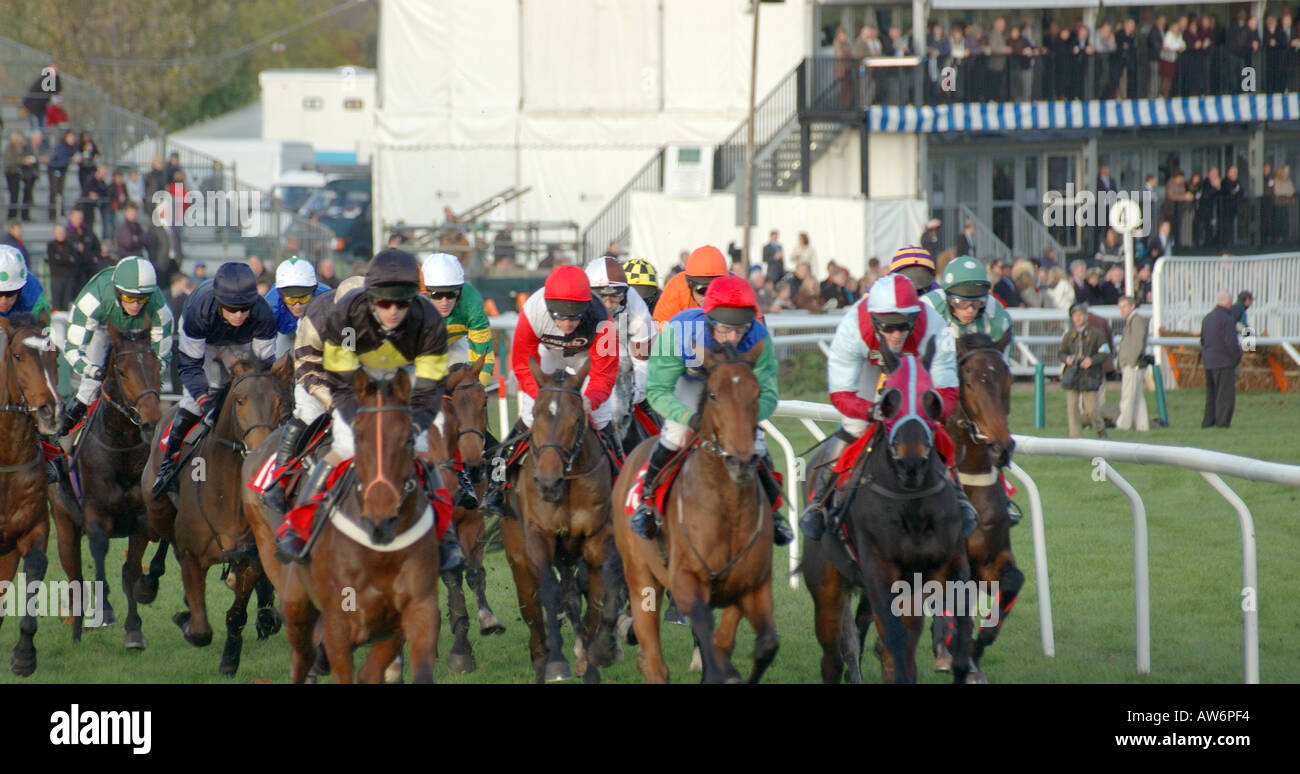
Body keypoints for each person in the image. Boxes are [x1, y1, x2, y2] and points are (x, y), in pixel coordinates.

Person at [273, 250, 464, 569]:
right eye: (383, 305)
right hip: (333, 377)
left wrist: (413, 425)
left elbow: (430, 383)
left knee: (420, 449)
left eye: (399, 304)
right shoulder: (334, 316)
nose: (391, 311)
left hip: (400, 373)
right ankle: (296, 525)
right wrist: (346, 413)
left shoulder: (426, 318)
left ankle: (446, 539)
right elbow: (328, 373)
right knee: (345, 445)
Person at [801, 273, 975, 541]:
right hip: (868, 370)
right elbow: (840, 394)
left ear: (915, 317)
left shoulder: (933, 326)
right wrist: (870, 411)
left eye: (903, 326)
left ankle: (958, 496)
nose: (896, 335)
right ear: (873, 320)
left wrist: (928, 413)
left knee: (928, 428)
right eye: (887, 327)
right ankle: (819, 502)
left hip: (917, 367)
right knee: (856, 426)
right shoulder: (852, 328)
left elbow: (948, 393)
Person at [629, 275, 792, 545]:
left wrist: (744, 418)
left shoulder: (758, 337)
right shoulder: (679, 332)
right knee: (675, 433)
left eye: (740, 330)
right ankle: (647, 503)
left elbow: (769, 393)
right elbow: (657, 389)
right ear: (710, 321)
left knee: (757, 443)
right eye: (726, 329)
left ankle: (774, 514)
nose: (733, 338)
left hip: (734, 394)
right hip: (689, 387)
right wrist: (689, 417)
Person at [479, 266, 623, 520]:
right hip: (547, 356)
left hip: (584, 360)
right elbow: (523, 364)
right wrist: (541, 397)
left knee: (601, 417)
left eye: (574, 317)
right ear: (547, 307)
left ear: (586, 309)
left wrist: (590, 399)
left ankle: (621, 484)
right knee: (529, 415)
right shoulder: (533, 310)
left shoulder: (603, 320)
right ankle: (496, 485)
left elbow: (604, 373)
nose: (567, 324)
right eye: (559, 316)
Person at [153, 263, 276, 498]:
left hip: (240, 343)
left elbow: (263, 369)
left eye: (244, 308)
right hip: (204, 342)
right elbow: (190, 366)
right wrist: (205, 400)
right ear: (219, 302)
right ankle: (168, 463)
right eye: (232, 308)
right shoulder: (198, 311)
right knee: (192, 401)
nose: (239, 315)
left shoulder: (263, 314)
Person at [259, 275, 363, 517]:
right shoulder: (317, 318)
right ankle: (278, 478)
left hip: (362, 381)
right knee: (307, 414)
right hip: (319, 376)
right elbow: (306, 366)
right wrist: (334, 403)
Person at [59, 257, 173, 435]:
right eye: (129, 298)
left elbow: (162, 356)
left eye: (142, 299)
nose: (135, 305)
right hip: (102, 328)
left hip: (139, 331)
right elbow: (72, 349)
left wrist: (151, 375)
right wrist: (94, 371)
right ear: (117, 292)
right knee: (90, 386)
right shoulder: (93, 297)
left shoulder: (159, 306)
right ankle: (61, 433)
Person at [586, 255, 655, 444]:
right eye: (603, 297)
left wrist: (635, 392)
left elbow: (643, 361)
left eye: (615, 296)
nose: (608, 304)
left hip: (623, 362)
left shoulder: (635, 304)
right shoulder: (577, 302)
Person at [922, 255, 1014, 354]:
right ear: (947, 298)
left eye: (977, 302)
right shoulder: (929, 308)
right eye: (962, 303)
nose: (970, 310)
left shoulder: (997, 317)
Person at [264, 256, 330, 359]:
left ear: (313, 292)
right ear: (281, 295)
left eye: (304, 298)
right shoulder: (270, 305)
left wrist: (348, 353)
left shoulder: (328, 298)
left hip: (320, 337)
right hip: (284, 335)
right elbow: (262, 349)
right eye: (291, 299)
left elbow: (348, 328)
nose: (297, 306)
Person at [1060, 303, 1110, 439]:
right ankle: (1075, 436)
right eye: (1075, 316)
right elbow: (1062, 353)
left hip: (1090, 375)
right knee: (1072, 408)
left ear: (1086, 316)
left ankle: (1100, 429)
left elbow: (1105, 352)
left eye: (1080, 315)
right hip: (1072, 374)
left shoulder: (1096, 334)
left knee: (1091, 409)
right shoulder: (1069, 335)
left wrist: (1091, 360)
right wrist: (1068, 359)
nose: (1077, 318)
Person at [652, 245, 729, 328]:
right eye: (702, 290)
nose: (708, 296)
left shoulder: (734, 291)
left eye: (715, 289)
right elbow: (661, 331)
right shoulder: (676, 290)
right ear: (690, 285)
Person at [1199, 290, 1242, 429]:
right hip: (1224, 362)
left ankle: (1208, 421)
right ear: (1228, 302)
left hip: (1209, 361)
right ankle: (1222, 423)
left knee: (1211, 394)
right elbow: (1231, 342)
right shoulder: (1229, 318)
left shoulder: (1207, 318)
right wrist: (1237, 358)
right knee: (1225, 395)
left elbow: (1202, 340)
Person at [1115, 296, 1151, 432]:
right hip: (1132, 363)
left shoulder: (1136, 320)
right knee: (1137, 396)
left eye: (1124, 307)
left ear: (1132, 306)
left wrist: (1131, 361)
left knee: (1128, 396)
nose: (1122, 310)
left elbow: (1137, 341)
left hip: (1133, 365)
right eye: (1120, 307)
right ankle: (1142, 425)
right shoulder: (1133, 320)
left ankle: (1123, 424)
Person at [0, 244, 50, 325]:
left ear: (20, 289)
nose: (4, 301)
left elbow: (44, 331)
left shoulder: (33, 294)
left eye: (10, 293)